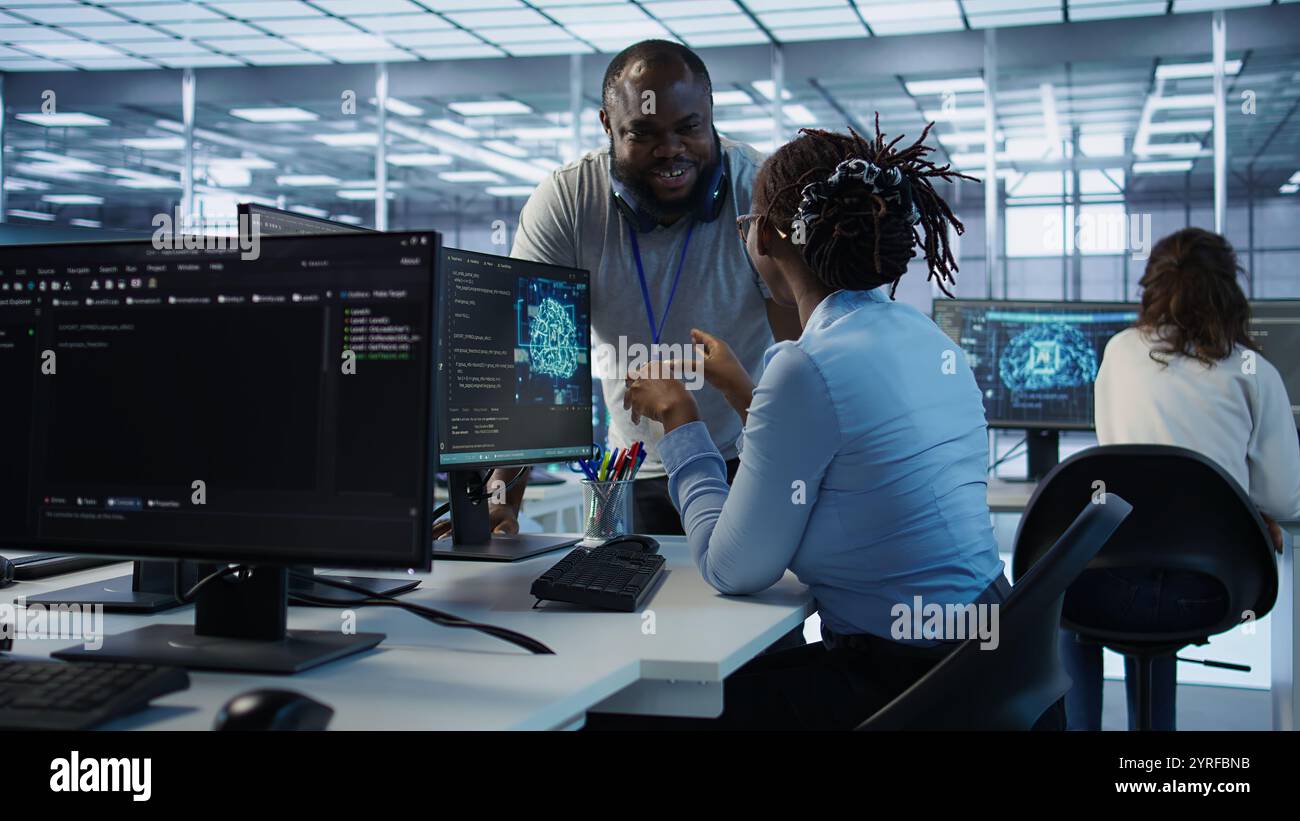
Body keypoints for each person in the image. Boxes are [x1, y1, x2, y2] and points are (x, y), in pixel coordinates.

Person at [591, 121, 1008, 730]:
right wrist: (742, 391)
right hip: (982, 658)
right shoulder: (920, 334)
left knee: (630, 707)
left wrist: (679, 422)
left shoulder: (805, 365)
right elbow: (833, 457)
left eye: (749, 221)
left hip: (901, 686)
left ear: (772, 236)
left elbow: (730, 567)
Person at [434, 40, 800, 541]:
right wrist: (500, 497)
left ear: (710, 112)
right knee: (620, 601)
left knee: (754, 607)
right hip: (627, 468)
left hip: (742, 457)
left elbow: (794, 353)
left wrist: (789, 467)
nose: (670, 149)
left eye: (688, 128)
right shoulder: (567, 203)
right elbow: (534, 363)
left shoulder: (756, 192)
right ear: (608, 125)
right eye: (643, 133)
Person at [1060, 227, 1300, 731]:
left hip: (1112, 589)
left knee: (1073, 595)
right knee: (1167, 571)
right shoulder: (1252, 370)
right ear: (1230, 292)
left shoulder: (1119, 351)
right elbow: (1286, 498)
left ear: (1150, 287)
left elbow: (1121, 454)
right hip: (1215, 589)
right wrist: (1247, 508)